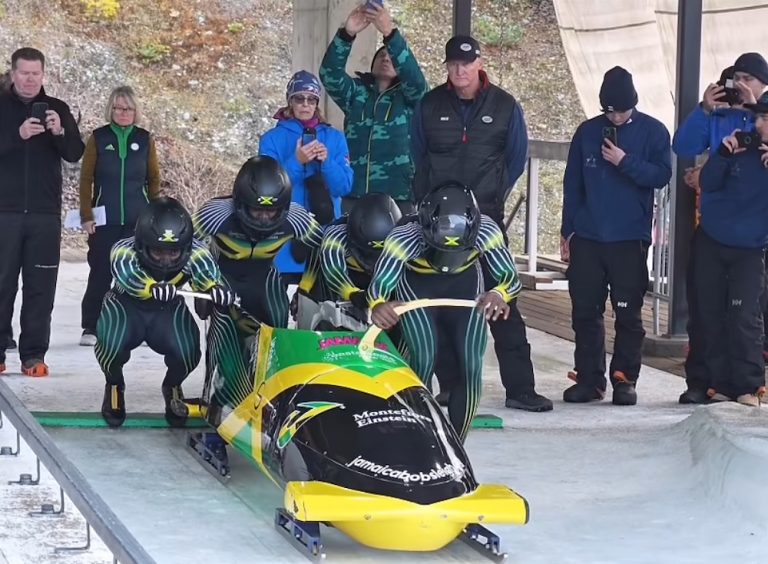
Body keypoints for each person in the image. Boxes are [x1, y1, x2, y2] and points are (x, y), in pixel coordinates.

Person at [410, 35, 551, 412]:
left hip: (485, 218)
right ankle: (451, 386)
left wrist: (491, 196)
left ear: (479, 64)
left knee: (504, 299)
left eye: (467, 64)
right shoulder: (429, 105)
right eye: (454, 64)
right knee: (442, 300)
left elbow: (516, 159)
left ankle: (520, 389)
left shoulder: (504, 106)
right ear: (447, 66)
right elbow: (418, 155)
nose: (461, 71)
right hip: (437, 222)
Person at [368, 184, 521, 441]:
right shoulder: (404, 237)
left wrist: (499, 294)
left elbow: (510, 278)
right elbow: (379, 285)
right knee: (423, 357)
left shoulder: (488, 230)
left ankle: (457, 444)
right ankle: (419, 439)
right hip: (417, 286)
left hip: (465, 285)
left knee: (471, 364)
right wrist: (378, 305)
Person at [560, 66, 672, 405]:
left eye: (621, 111)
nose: (616, 117)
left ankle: (625, 377)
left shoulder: (653, 131)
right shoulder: (587, 132)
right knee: (585, 310)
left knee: (627, 312)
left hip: (629, 237)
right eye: (610, 111)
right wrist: (568, 231)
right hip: (588, 235)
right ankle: (589, 378)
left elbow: (661, 175)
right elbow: (572, 184)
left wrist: (625, 161)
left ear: (632, 104)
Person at [672, 54, 768, 404]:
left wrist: (757, 111)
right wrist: (704, 110)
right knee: (705, 310)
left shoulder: (764, 118)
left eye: (748, 78)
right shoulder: (720, 116)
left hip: (754, 238)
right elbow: (683, 146)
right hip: (713, 227)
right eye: (734, 78)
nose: (739, 85)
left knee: (744, 314)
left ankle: (748, 384)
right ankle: (705, 382)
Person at [96, 197, 236, 427]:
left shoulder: (196, 252)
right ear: (142, 244)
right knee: (111, 343)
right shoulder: (123, 249)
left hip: (167, 309)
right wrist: (151, 287)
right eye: (158, 251)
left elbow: (207, 275)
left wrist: (215, 289)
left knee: (188, 352)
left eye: (174, 252)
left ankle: (172, 385)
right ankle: (114, 384)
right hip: (125, 306)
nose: (166, 259)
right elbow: (127, 275)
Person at [0, 47, 84, 376]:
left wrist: (60, 132)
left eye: (36, 73)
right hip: (4, 212)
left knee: (41, 287)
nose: (30, 79)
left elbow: (75, 153)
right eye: (24, 73)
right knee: (2, 284)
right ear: (13, 73)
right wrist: (16, 135)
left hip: (44, 215)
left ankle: (33, 355)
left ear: (43, 74)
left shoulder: (57, 108)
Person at [319, 3, 427, 214]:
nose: (386, 58)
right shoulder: (356, 93)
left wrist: (390, 34)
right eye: (381, 56)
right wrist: (347, 34)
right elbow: (329, 74)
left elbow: (415, 80)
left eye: (390, 57)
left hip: (399, 196)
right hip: (355, 195)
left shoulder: (410, 97)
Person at [192, 156, 324, 326]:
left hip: (264, 275)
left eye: (271, 212)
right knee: (224, 322)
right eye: (256, 210)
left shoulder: (297, 217)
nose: (263, 218)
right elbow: (185, 244)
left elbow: (323, 248)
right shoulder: (215, 212)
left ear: (283, 207)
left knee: (278, 315)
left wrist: (305, 288)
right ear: (241, 203)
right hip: (222, 275)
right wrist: (204, 282)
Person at [78, 85, 161, 346]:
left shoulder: (145, 139)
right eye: (117, 108)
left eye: (128, 108)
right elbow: (86, 179)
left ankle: (141, 327)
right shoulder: (98, 138)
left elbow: (154, 179)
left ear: (136, 111)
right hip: (105, 220)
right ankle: (91, 326)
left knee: (139, 273)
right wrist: (86, 215)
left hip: (138, 220)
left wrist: (155, 214)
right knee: (101, 271)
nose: (123, 113)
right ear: (110, 110)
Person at [259, 70, 352, 283]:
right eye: (299, 98)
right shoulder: (271, 139)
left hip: (324, 236)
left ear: (317, 103)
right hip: (284, 236)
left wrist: (327, 163)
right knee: (282, 300)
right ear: (290, 101)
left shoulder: (335, 138)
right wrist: (296, 161)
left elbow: (343, 187)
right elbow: (266, 189)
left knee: (323, 301)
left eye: (311, 99)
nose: (305, 104)